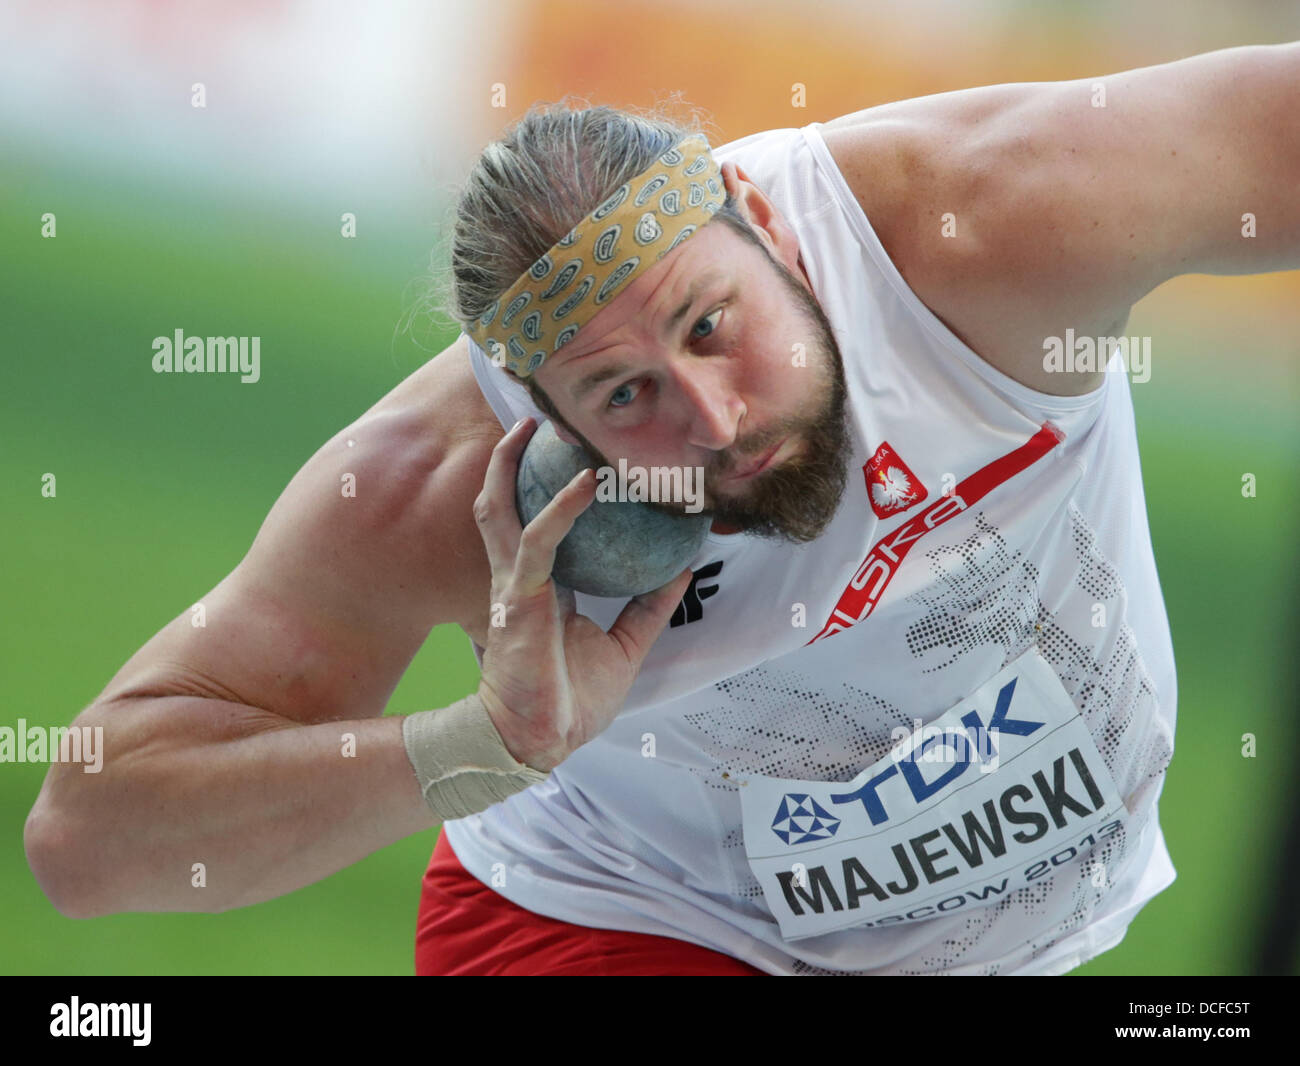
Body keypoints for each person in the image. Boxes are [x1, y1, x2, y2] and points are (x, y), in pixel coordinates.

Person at [24, 43, 1297, 975]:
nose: (710, 417)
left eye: (710, 324)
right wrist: (479, 747)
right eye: (623, 393)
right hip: (621, 917)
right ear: (543, 421)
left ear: (778, 239)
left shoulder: (1002, 218)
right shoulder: (439, 486)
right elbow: (87, 839)